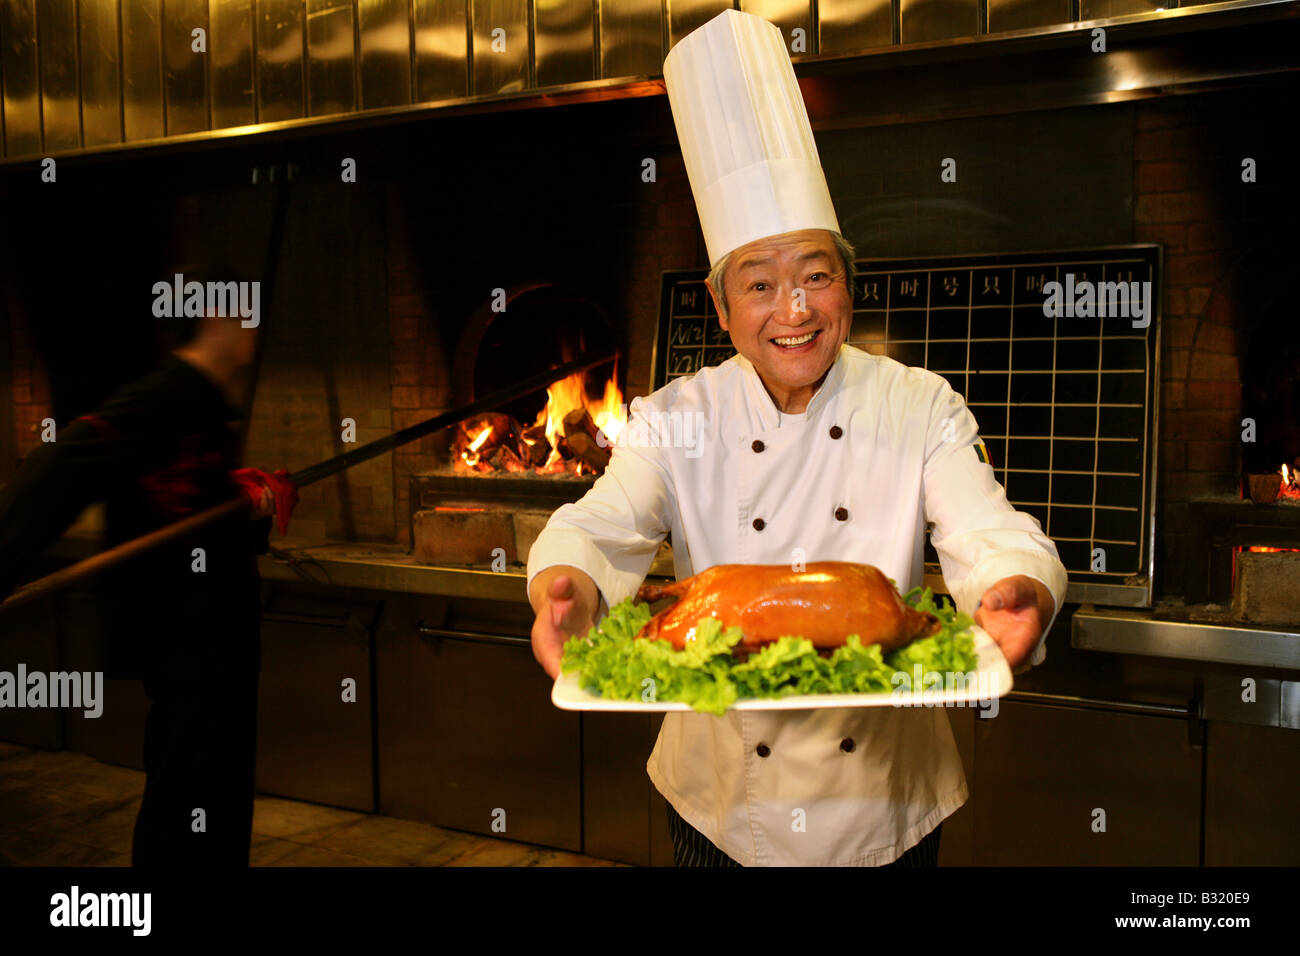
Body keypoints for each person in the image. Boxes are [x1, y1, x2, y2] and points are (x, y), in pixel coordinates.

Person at [526, 10, 1067, 867]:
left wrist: (1013, 587)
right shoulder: (678, 413)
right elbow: (601, 526)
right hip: (721, 803)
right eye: (762, 284)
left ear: (846, 287)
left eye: (817, 275)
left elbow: (986, 528)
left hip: (887, 804)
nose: (796, 310)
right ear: (720, 304)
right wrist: (567, 587)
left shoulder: (917, 402)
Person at [0, 265, 296, 866]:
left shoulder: (208, 406)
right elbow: (60, 469)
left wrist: (244, 506)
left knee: (219, 791)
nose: (254, 333)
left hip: (220, 639)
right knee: (187, 791)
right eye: (246, 314)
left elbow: (180, 502)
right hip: (185, 639)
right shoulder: (163, 396)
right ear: (217, 317)